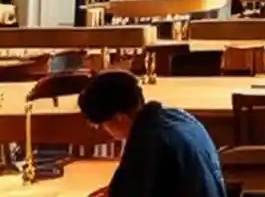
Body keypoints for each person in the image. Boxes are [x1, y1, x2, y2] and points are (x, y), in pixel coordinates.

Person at [77, 69, 227, 197]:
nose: (106, 131)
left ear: (119, 118)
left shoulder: (148, 140)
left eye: (103, 125)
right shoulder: (179, 117)